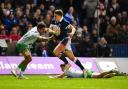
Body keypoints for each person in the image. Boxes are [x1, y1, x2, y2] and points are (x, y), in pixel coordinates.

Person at [49, 9, 87, 76]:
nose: (54, 17)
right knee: (72, 58)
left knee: (55, 52)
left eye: (55, 16)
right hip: (62, 41)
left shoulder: (65, 22)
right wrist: (54, 32)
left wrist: (72, 33)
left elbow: (73, 28)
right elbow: (49, 29)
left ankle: (67, 63)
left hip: (66, 39)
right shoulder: (54, 21)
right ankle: (84, 69)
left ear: (60, 16)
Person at [49, 64, 115, 78]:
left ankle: (111, 71)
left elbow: (60, 76)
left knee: (99, 76)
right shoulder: (69, 70)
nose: (61, 69)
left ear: (64, 67)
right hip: (86, 72)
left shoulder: (66, 71)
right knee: (102, 77)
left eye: (61, 68)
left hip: (85, 74)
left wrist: (53, 77)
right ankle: (114, 74)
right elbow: (69, 76)